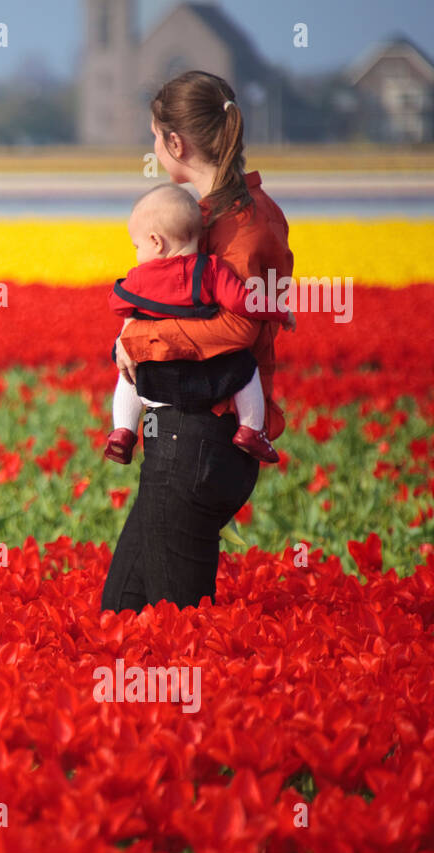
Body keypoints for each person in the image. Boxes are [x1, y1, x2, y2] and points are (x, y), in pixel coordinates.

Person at [100, 70, 294, 613]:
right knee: (123, 614)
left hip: (199, 438)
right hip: (193, 439)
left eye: (154, 138)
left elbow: (237, 330)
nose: (154, 148)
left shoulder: (234, 226)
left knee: (174, 628)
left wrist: (138, 339)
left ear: (176, 143)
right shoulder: (243, 214)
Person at [104, 182, 293, 467]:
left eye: (137, 245)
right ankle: (252, 430)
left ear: (156, 242)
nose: (137, 253)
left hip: (156, 378)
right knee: (245, 366)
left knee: (128, 371)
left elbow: (116, 302)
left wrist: (133, 318)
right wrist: (279, 311)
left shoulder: (140, 277)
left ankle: (124, 430)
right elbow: (243, 302)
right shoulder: (212, 269)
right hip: (207, 376)